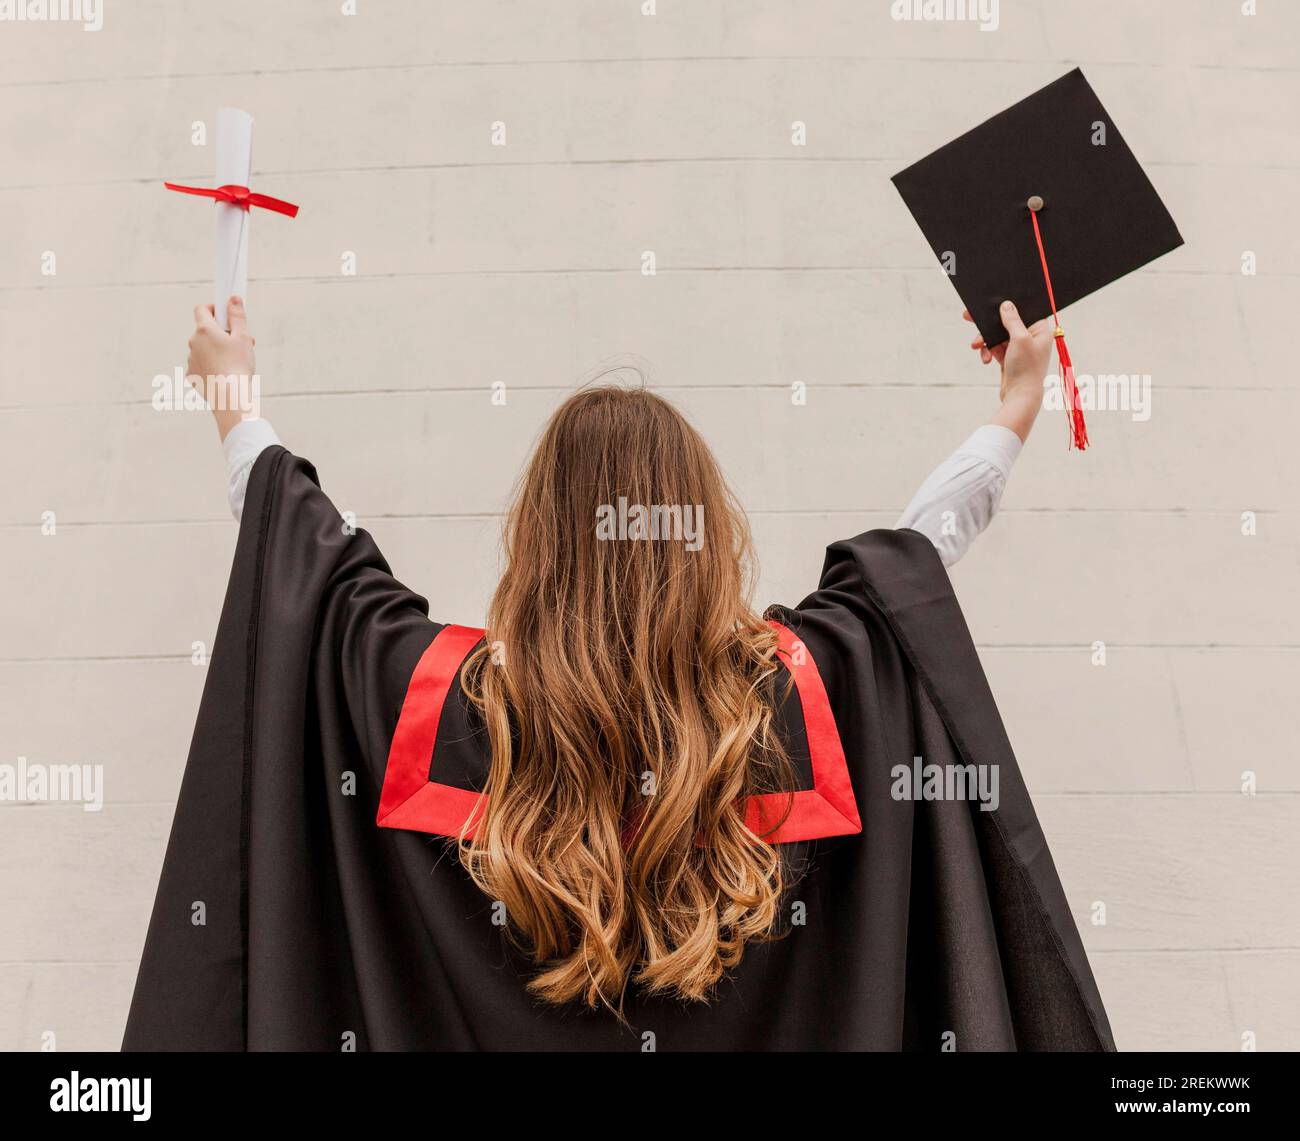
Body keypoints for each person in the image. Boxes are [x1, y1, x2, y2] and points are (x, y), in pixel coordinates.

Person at [123, 296, 1114, 1051]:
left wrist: (234, 399)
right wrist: (1016, 405)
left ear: (541, 535)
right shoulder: (790, 696)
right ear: (698, 531)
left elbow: (309, 572)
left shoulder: (450, 705)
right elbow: (913, 563)